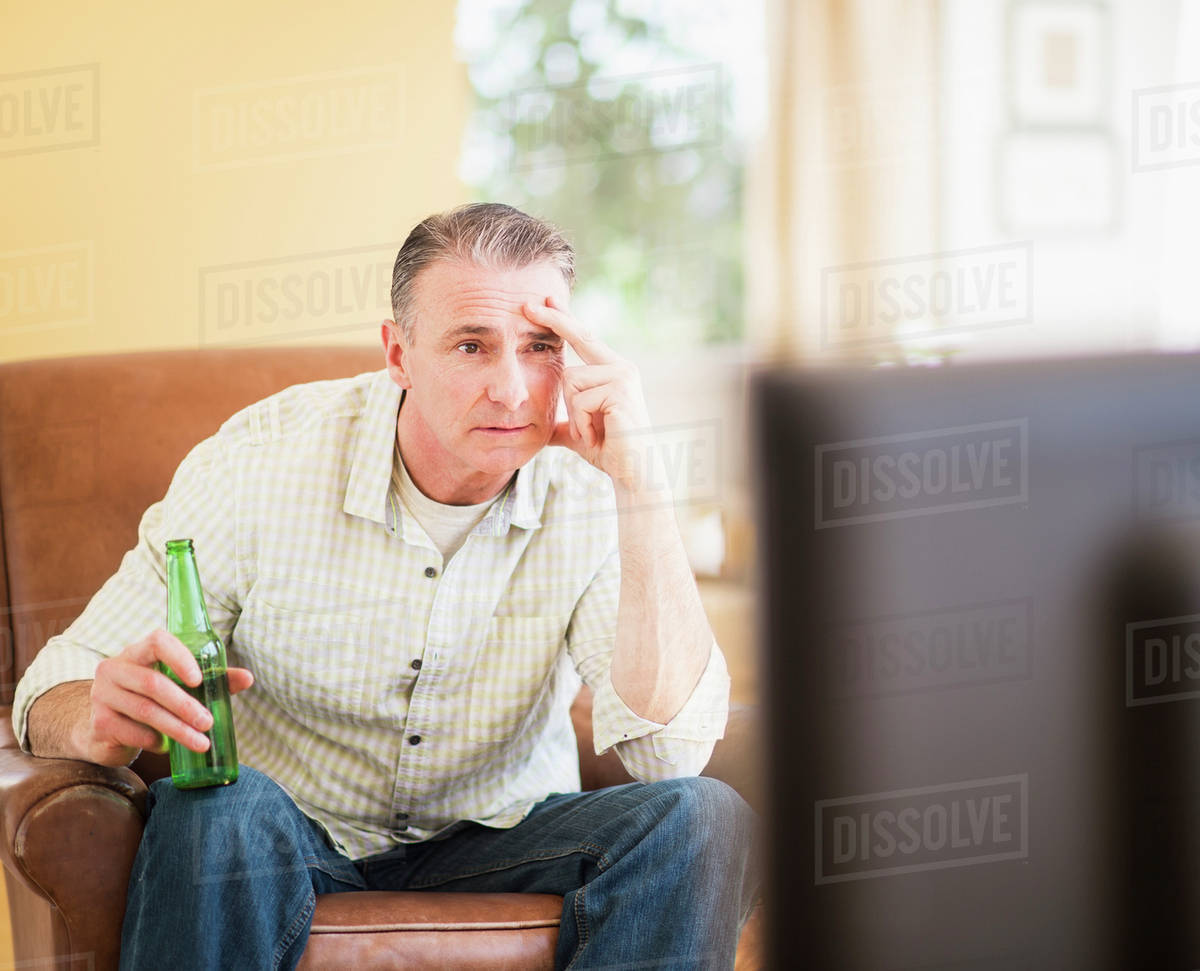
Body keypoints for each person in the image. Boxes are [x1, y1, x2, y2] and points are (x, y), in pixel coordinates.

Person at [12, 203, 760, 970]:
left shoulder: (594, 485)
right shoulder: (259, 464)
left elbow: (668, 758)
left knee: (704, 817)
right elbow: (50, 688)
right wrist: (95, 714)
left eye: (540, 346)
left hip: (508, 834)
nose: (510, 388)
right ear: (397, 353)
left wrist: (643, 483)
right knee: (213, 809)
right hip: (290, 834)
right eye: (471, 344)